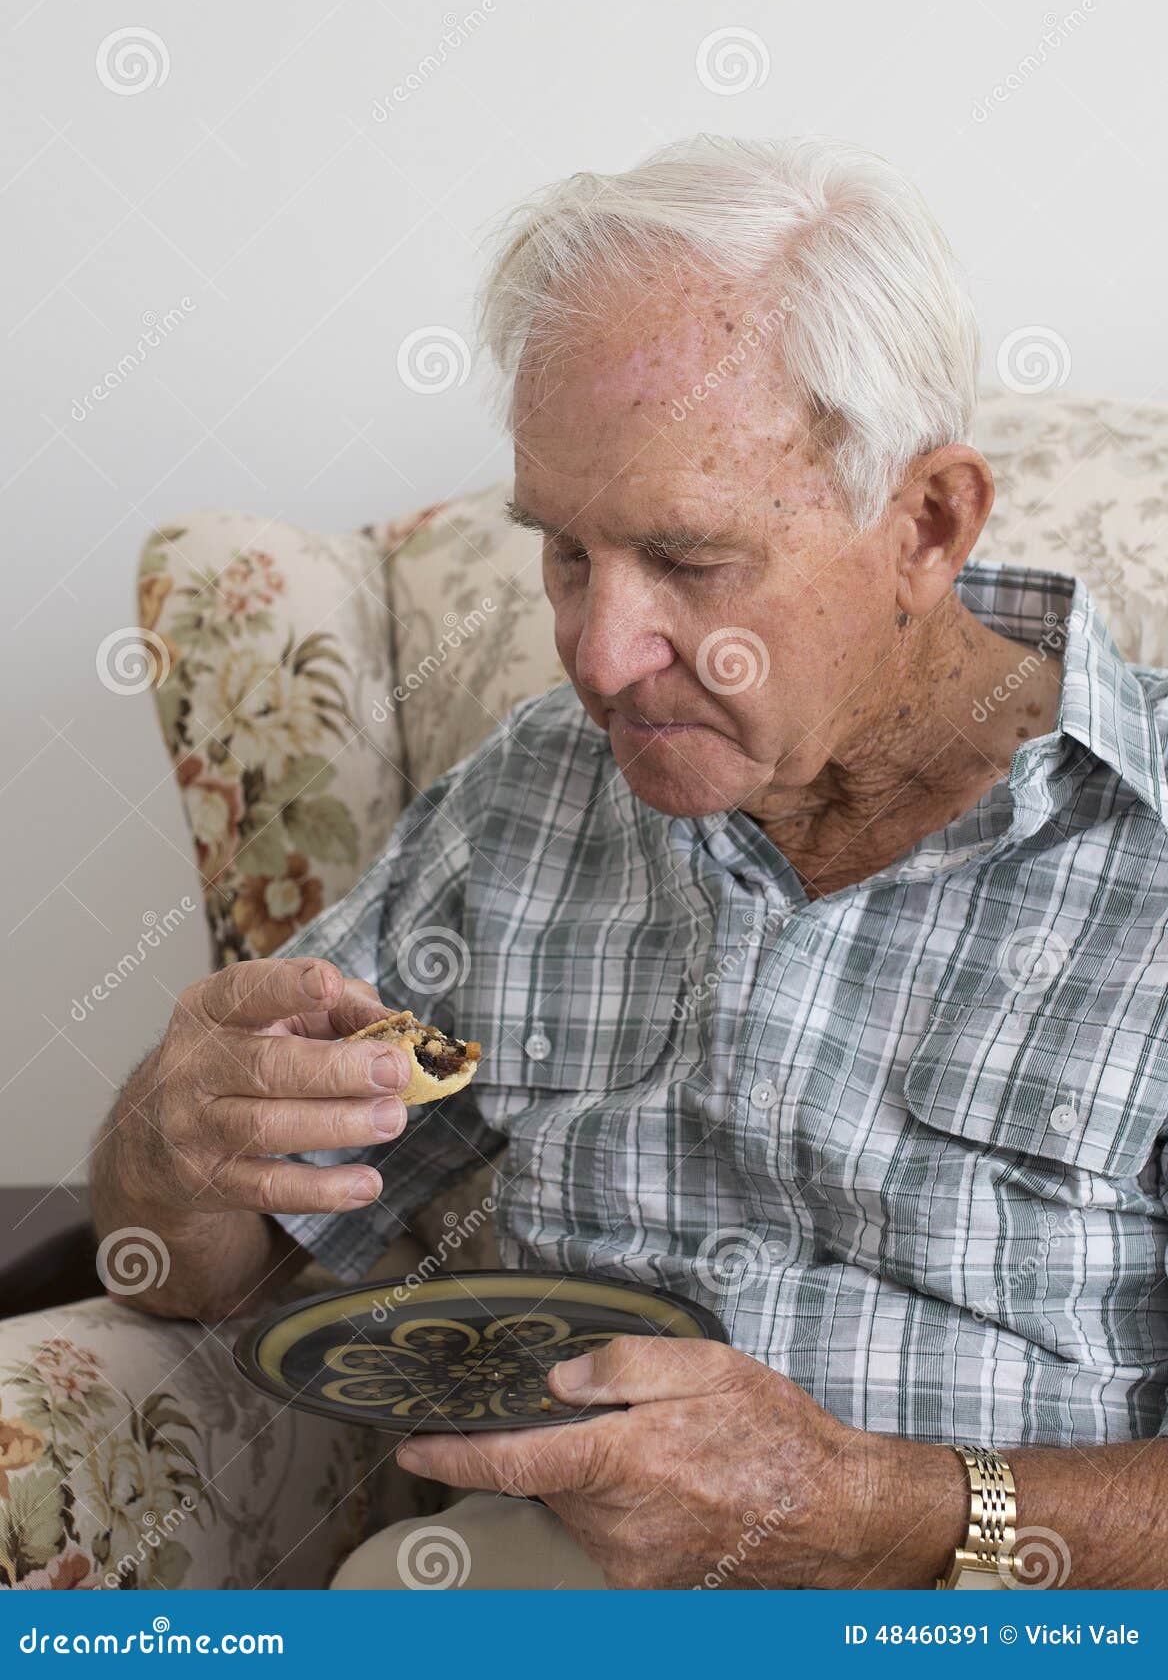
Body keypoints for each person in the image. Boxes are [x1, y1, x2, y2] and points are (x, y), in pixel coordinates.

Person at [94, 134, 1168, 1589]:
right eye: (565, 553)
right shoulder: (534, 792)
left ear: (926, 526)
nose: (600, 658)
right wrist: (174, 1141)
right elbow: (214, 1264)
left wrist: (874, 1505)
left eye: (689, 559)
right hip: (542, 1595)